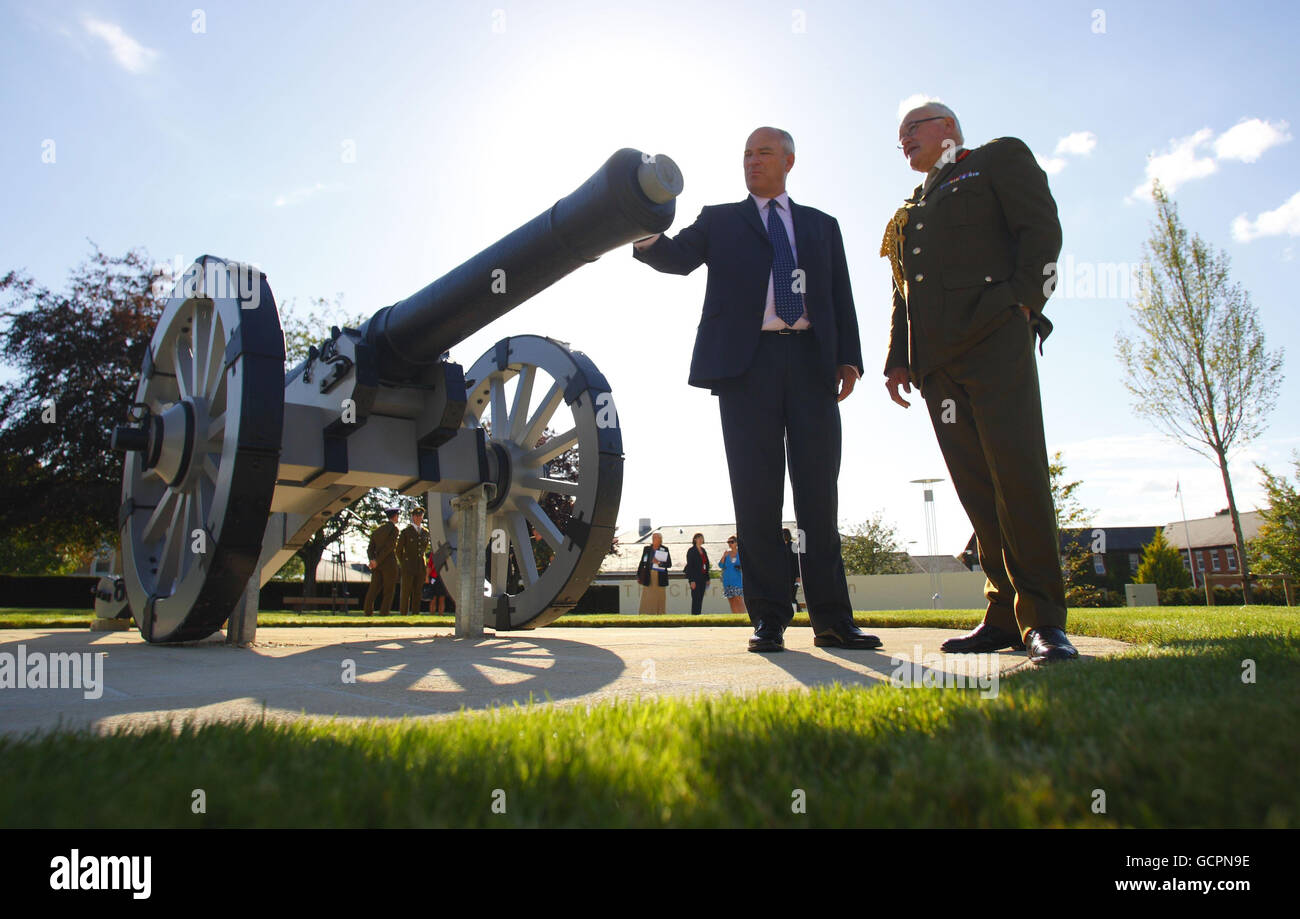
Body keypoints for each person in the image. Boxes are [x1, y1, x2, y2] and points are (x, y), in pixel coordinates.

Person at [633, 126, 880, 652]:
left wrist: (849, 360)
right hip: (746, 368)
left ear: (789, 160)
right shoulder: (720, 219)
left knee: (819, 495)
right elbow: (675, 259)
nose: (752, 161)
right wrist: (633, 225)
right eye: (746, 154)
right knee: (756, 494)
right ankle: (769, 618)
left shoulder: (821, 225)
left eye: (763, 152)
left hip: (812, 364)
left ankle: (834, 620)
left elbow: (841, 293)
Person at [882, 101, 1076, 664]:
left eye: (911, 129)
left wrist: (1024, 305)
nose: (904, 141)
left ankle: (1043, 620)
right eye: (899, 137)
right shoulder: (913, 209)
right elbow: (905, 290)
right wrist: (900, 358)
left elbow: (1041, 231)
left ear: (947, 128)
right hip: (937, 365)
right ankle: (1004, 611)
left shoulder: (995, 159)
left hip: (994, 341)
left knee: (1017, 476)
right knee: (976, 490)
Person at [364, 507, 401, 617]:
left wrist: (373, 560)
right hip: (388, 564)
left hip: (377, 565)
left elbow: (370, 548)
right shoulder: (394, 529)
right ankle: (384, 613)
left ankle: (368, 612)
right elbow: (389, 547)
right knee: (389, 591)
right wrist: (377, 561)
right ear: (394, 516)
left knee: (373, 590)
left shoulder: (377, 531)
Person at [396, 507, 430, 615]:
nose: (419, 518)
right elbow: (399, 550)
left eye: (421, 516)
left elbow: (424, 549)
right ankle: (403, 613)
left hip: (420, 565)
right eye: (417, 516)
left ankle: (415, 613)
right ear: (413, 517)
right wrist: (404, 563)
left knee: (417, 592)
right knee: (406, 592)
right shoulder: (406, 532)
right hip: (408, 565)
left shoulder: (425, 532)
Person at [637, 531, 672, 615]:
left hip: (660, 576)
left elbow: (669, 564)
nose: (654, 539)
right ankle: (645, 613)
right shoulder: (647, 549)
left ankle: (660, 614)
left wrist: (659, 563)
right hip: (648, 575)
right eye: (653, 537)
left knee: (660, 597)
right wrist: (639, 575)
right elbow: (642, 562)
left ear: (660, 539)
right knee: (647, 597)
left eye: (656, 537)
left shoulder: (664, 549)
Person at [683, 532, 712, 615]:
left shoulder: (703, 550)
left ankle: (698, 615)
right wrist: (692, 580)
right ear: (694, 539)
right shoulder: (691, 550)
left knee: (700, 598)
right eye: (698, 538)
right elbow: (690, 566)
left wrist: (707, 578)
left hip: (703, 577)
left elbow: (706, 565)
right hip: (695, 578)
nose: (700, 539)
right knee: (696, 598)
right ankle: (694, 615)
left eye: (701, 538)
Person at [719, 535, 746, 616]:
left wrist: (740, 567)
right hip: (727, 580)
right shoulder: (727, 554)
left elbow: (746, 565)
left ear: (736, 543)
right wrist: (724, 556)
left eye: (732, 542)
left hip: (737, 580)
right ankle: (735, 618)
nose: (730, 544)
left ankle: (743, 617)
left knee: (739, 599)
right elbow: (721, 565)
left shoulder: (741, 553)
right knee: (731, 600)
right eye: (728, 542)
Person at [783, 527, 803, 613]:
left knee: (792, 596)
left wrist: (798, 576)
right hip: (783, 577)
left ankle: (797, 611)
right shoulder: (780, 546)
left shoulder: (793, 546)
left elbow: (796, 562)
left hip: (792, 576)